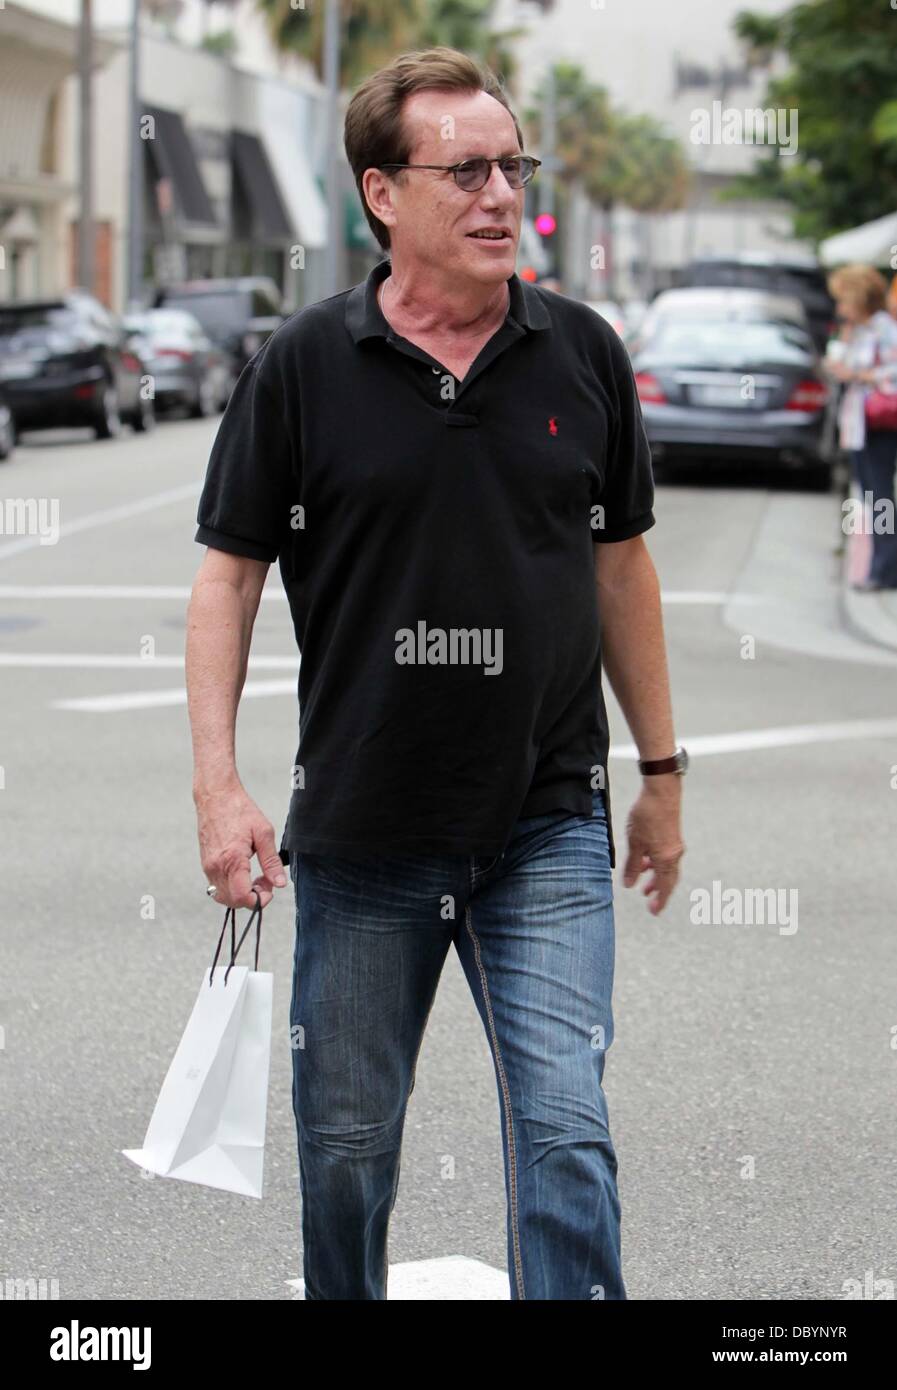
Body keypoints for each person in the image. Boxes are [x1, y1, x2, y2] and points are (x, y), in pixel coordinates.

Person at [186, 47, 686, 1301]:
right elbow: (228, 578)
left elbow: (623, 565)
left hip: (545, 823)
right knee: (348, 1157)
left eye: (513, 167)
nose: (502, 195)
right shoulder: (304, 366)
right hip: (361, 831)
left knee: (568, 1136)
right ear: (380, 192)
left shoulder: (582, 352)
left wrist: (665, 770)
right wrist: (218, 791)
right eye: (465, 170)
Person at [825, 263, 897, 591]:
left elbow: (890, 372)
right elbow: (837, 360)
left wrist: (860, 376)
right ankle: (877, 567)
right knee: (870, 495)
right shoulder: (861, 329)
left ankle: (885, 571)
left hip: (880, 422)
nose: (840, 308)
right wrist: (846, 334)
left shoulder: (885, 328)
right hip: (859, 424)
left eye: (844, 300)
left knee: (881, 496)